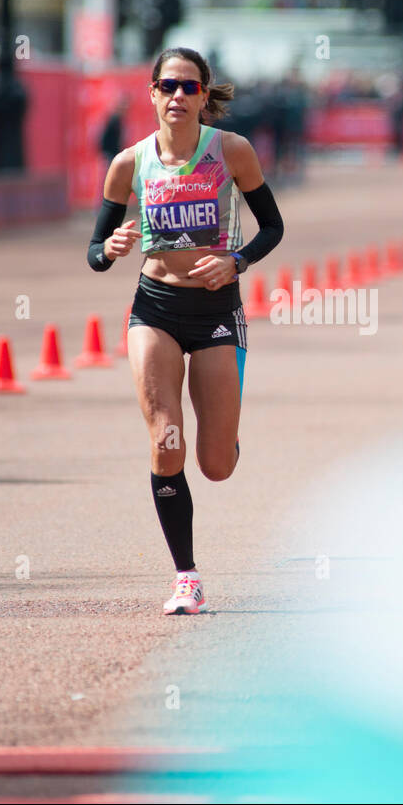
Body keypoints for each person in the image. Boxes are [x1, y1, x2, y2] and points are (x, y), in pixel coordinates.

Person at [86, 47, 285, 614]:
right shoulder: (129, 164)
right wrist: (111, 248)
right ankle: (186, 577)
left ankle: (226, 432)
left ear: (203, 95)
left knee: (215, 464)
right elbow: (96, 253)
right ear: (151, 93)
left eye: (189, 87)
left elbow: (272, 225)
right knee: (165, 439)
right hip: (155, 311)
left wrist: (238, 261)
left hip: (218, 312)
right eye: (168, 86)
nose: (178, 96)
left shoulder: (232, 152)